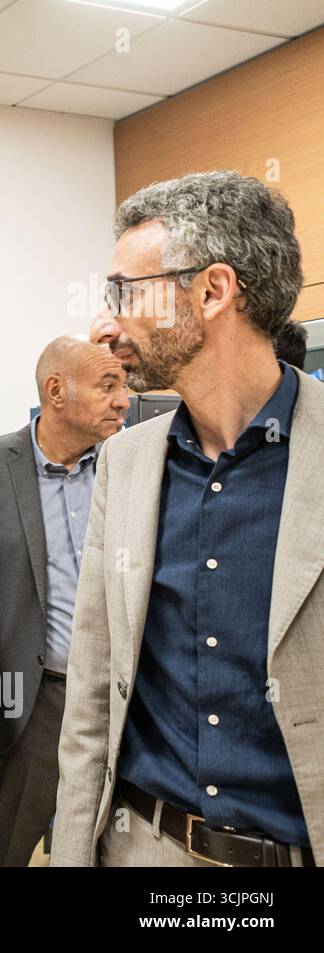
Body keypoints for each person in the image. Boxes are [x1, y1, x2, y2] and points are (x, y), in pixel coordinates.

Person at [56, 170, 323, 867]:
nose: (102, 324)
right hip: (146, 847)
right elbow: (90, 697)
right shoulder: (126, 463)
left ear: (212, 291)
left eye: (123, 292)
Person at [0, 336, 128, 866]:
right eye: (107, 385)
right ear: (55, 390)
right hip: (34, 699)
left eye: (123, 384)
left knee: (113, 839)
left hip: (123, 696)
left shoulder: (134, 462)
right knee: (3, 845)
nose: (123, 399)